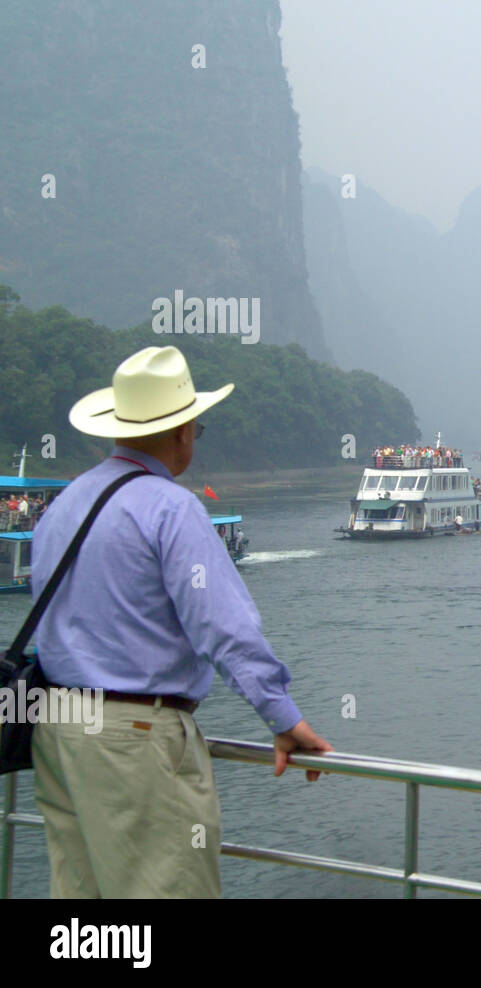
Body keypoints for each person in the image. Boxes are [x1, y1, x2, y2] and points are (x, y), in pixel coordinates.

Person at [31, 345, 333, 898]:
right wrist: (283, 716)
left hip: (57, 733)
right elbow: (224, 629)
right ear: (183, 433)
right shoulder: (172, 508)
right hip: (134, 740)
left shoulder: (63, 505)